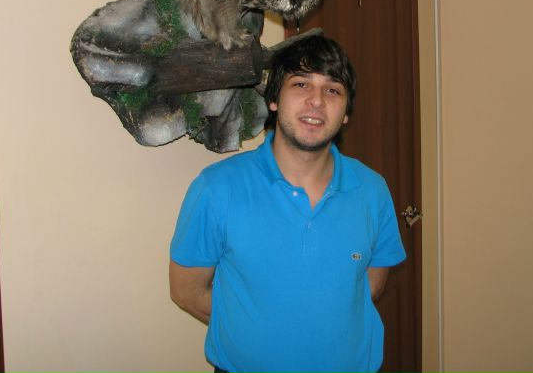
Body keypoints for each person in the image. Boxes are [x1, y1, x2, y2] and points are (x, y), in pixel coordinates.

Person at [169, 35, 406, 373]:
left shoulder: (372, 190)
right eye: (300, 84)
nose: (316, 101)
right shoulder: (217, 188)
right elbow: (186, 290)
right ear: (274, 100)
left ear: (346, 113)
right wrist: (254, 330)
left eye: (333, 90)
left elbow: (372, 282)